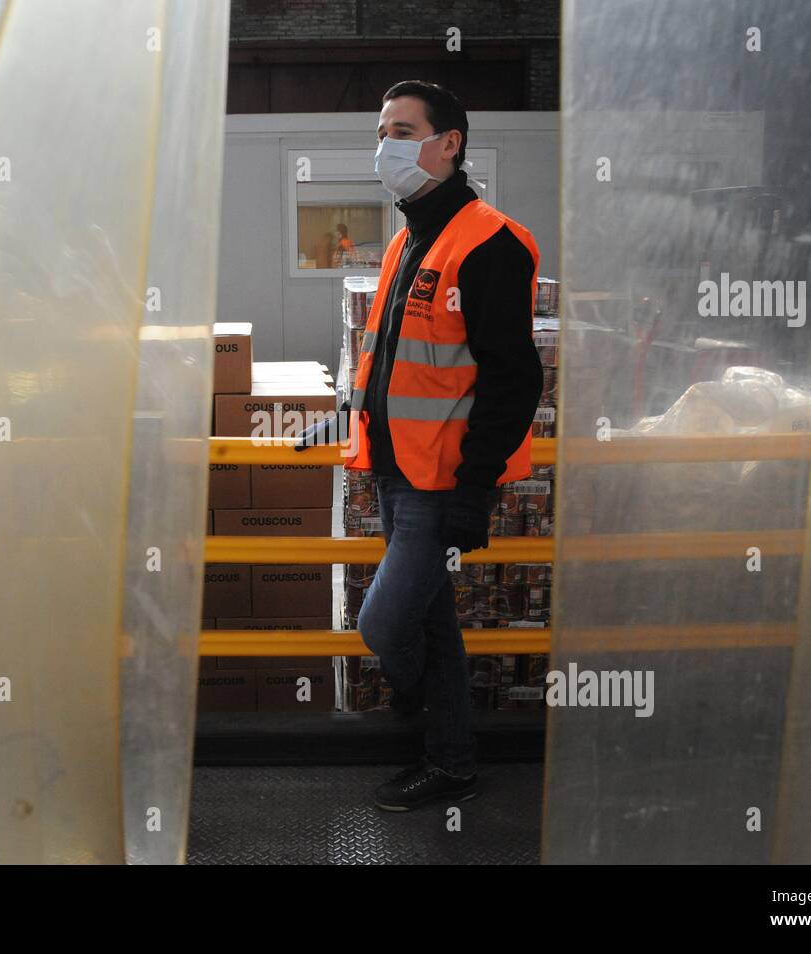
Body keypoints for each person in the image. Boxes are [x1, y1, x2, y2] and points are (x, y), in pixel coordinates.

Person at [298, 80, 543, 811]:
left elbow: (512, 381)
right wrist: (347, 419)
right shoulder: (410, 237)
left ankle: (419, 704)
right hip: (399, 472)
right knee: (434, 626)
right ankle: (452, 760)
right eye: (383, 130)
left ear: (449, 144)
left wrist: (475, 488)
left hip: (442, 486)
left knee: (385, 622)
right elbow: (394, 361)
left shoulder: (492, 242)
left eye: (403, 130)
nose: (387, 145)